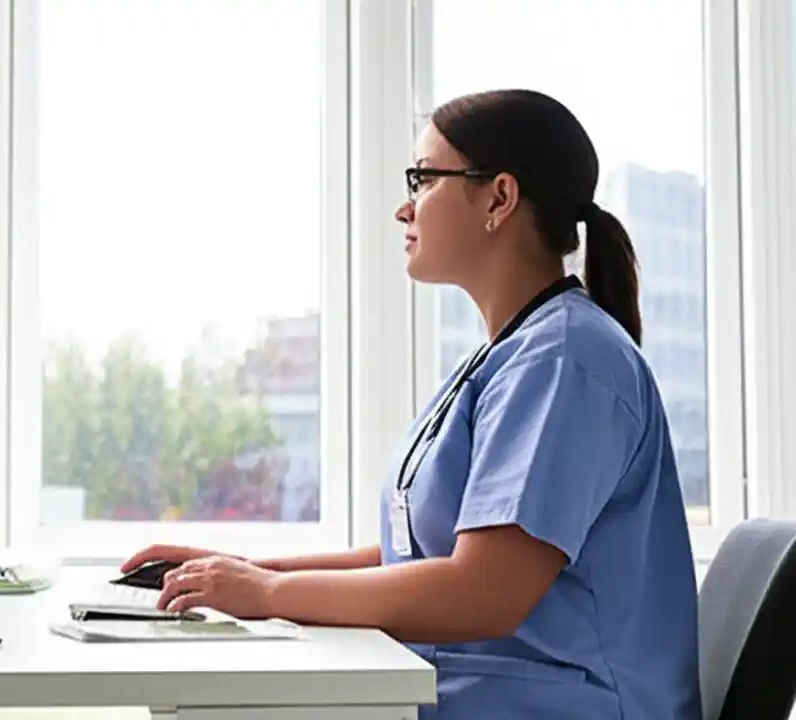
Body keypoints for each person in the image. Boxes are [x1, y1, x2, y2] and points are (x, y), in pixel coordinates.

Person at [121, 89, 701, 720]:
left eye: (423, 179)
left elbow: (484, 591)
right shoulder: (514, 353)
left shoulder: (565, 361)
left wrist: (269, 591)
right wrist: (244, 570)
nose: (405, 207)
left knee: (211, 710)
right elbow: (419, 557)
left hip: (551, 707)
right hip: (484, 695)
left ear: (499, 199)